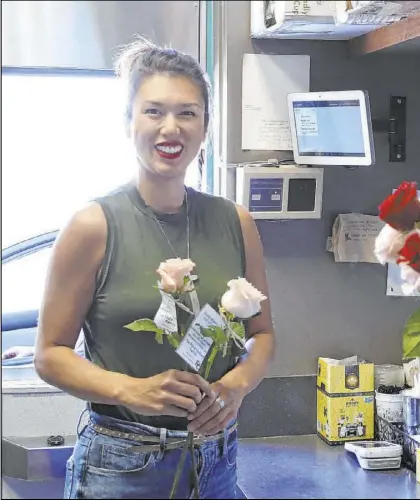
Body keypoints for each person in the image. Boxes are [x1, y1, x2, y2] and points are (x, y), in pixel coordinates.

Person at [34, 37, 275, 499]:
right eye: (153, 111)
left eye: (187, 113)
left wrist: (236, 387)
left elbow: (262, 334)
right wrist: (131, 391)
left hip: (217, 461)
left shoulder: (234, 221)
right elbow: (50, 355)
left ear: (205, 128)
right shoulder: (93, 226)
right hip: (122, 464)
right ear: (128, 122)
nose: (171, 128)